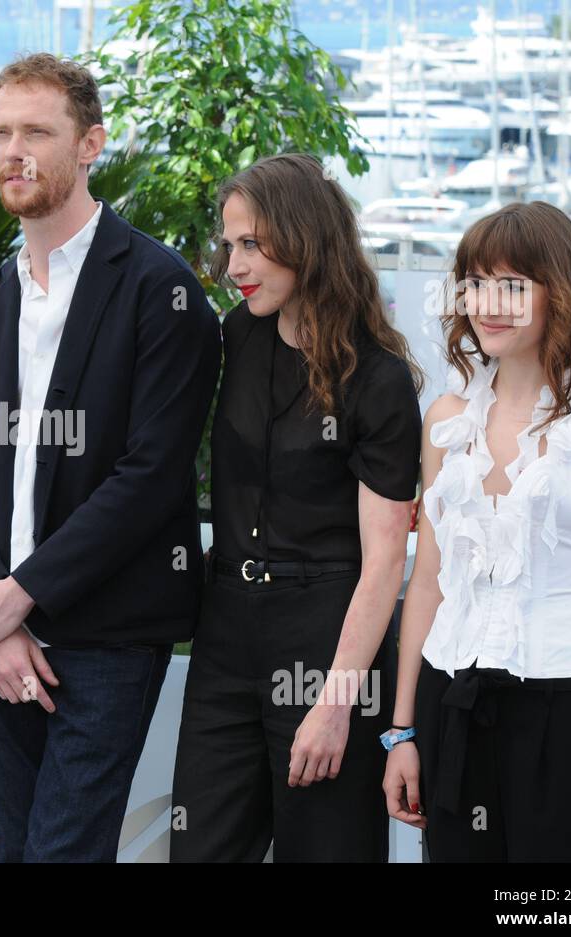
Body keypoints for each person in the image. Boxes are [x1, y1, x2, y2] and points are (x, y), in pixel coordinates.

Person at [0, 53, 221, 863]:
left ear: (91, 142)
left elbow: (151, 476)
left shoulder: (161, 290)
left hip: (107, 636)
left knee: (62, 853)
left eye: (38, 131)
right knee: (18, 849)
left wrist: (21, 594)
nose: (13, 151)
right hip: (3, 637)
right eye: (0, 133)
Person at [169, 154, 424, 862]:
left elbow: (382, 565)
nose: (233, 264)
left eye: (251, 244)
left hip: (328, 637)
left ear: (305, 239)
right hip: (226, 636)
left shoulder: (377, 379)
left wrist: (338, 699)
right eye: (229, 245)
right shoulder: (236, 336)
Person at [383, 201, 571, 862]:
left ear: (558, 292)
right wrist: (401, 730)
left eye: (511, 284)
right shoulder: (447, 418)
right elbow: (427, 588)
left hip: (565, 707)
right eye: (474, 282)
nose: (486, 302)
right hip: (452, 701)